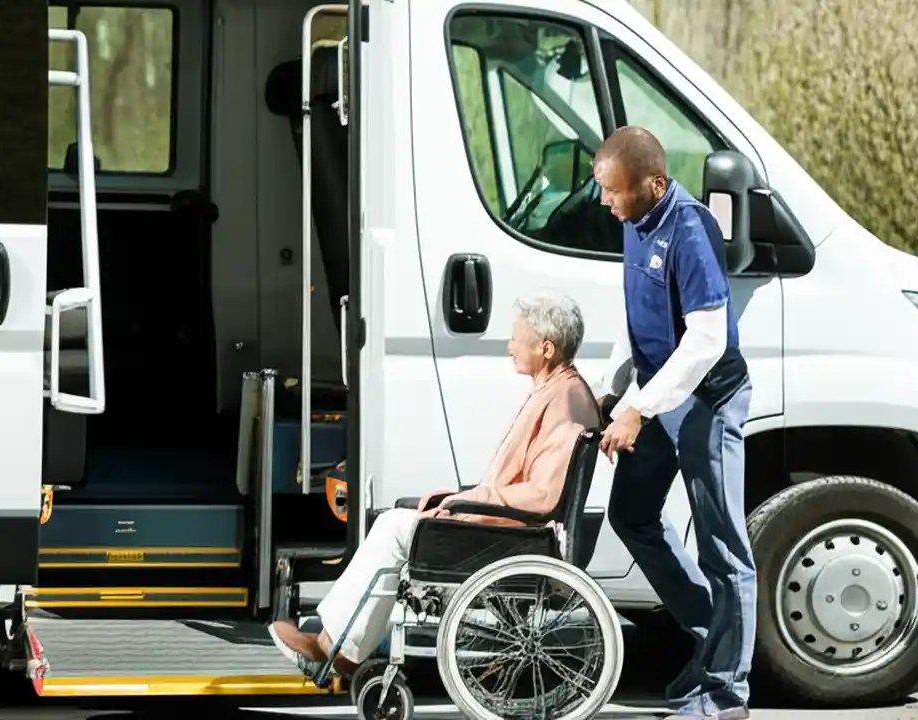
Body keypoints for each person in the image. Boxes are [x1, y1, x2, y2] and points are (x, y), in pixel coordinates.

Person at [267, 289, 602, 677]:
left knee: (392, 527)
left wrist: (467, 500)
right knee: (396, 520)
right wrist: (461, 497)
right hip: (507, 525)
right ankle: (340, 645)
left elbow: (543, 494)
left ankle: (332, 646)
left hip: (513, 534)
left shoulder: (565, 399)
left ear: (546, 348)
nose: (509, 346)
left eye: (516, 337)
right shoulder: (557, 390)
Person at [591, 126, 755, 720]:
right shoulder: (635, 222)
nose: (605, 201)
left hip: (708, 397)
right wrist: (613, 391)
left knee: (723, 547)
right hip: (660, 392)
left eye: (613, 190)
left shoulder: (689, 228)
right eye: (601, 189)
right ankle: (717, 639)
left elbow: (706, 340)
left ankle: (725, 691)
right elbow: (638, 313)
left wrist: (638, 408)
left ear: (653, 184)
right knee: (630, 514)